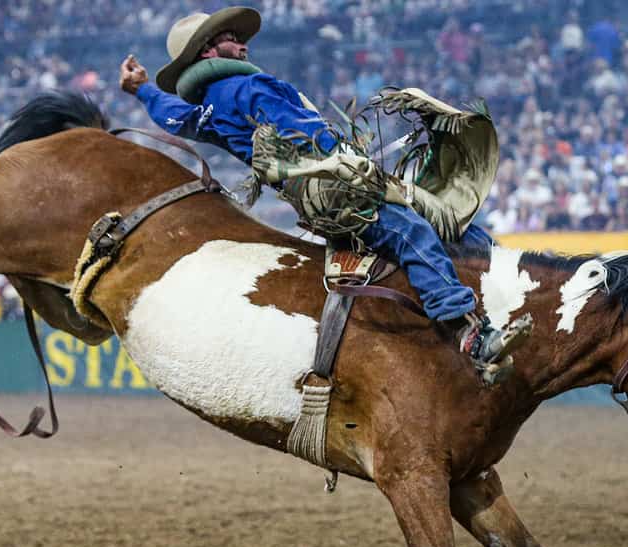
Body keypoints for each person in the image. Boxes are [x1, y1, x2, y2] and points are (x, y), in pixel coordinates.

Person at [117, 7, 525, 378]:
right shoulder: (248, 86)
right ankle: (470, 333)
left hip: (318, 198)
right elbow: (304, 135)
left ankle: (507, 293)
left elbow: (174, 117)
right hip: (336, 189)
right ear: (208, 50)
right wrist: (346, 158)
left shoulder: (209, 108)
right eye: (231, 38)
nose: (242, 45)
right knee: (412, 231)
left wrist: (143, 90)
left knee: (437, 222)